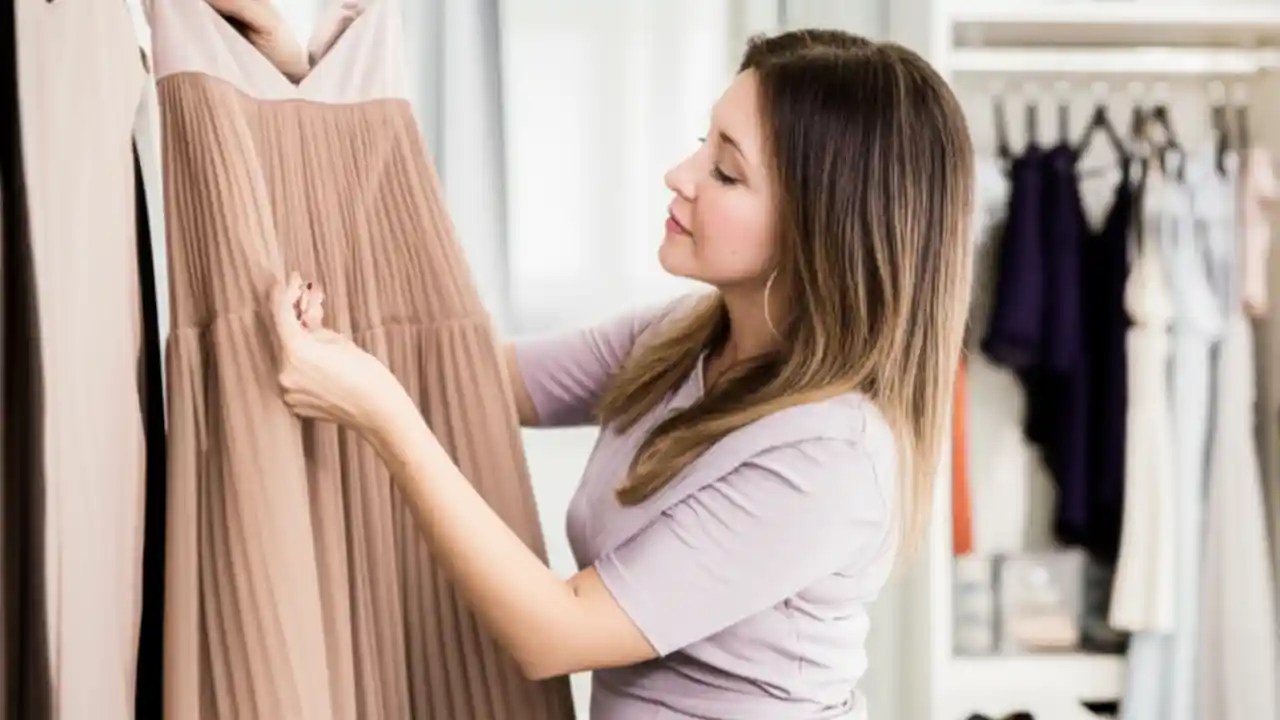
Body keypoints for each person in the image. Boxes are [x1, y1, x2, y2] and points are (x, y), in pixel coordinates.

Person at [236, 7, 973, 716]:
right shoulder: (683, 340)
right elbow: (455, 371)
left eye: (725, 171)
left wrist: (385, 419)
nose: (679, 175)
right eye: (701, 144)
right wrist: (292, 76)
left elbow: (555, 634)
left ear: (821, 230)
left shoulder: (829, 459)